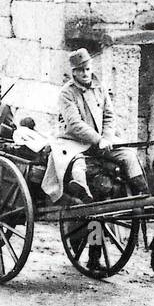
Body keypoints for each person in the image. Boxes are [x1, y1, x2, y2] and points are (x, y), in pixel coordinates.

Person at [53, 48, 147, 203]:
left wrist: (107, 137)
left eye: (87, 69)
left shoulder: (100, 88)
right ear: (74, 72)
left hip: (102, 142)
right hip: (75, 142)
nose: (85, 73)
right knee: (78, 162)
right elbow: (74, 124)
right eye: (80, 70)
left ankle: (142, 195)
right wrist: (99, 139)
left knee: (128, 155)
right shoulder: (67, 93)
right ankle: (84, 194)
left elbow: (109, 116)